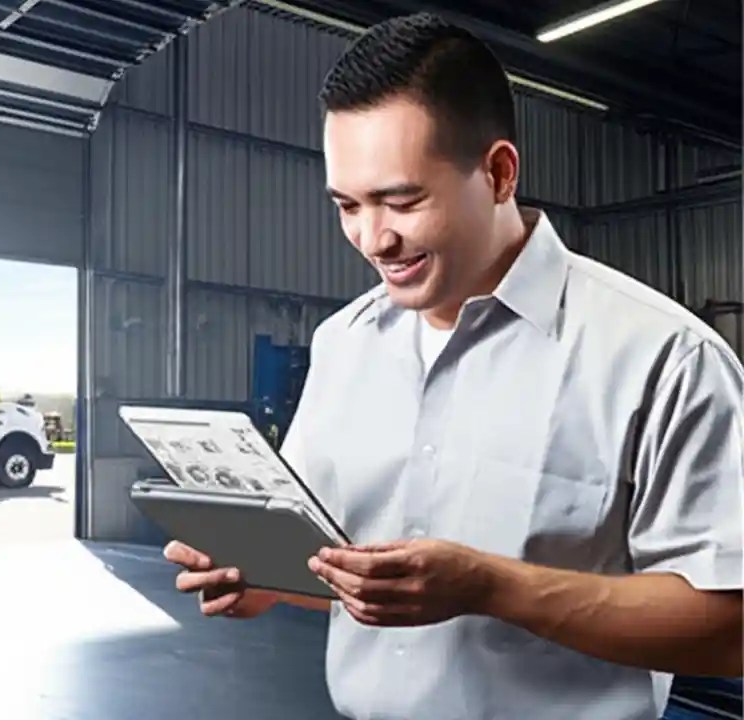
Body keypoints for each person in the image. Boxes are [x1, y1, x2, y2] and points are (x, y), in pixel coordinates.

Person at [163, 11, 743, 720]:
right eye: (347, 204)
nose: (373, 238)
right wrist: (261, 579)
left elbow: (729, 629)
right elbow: (322, 551)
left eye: (401, 201)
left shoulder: (662, 358)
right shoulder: (343, 344)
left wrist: (490, 587)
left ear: (498, 172)